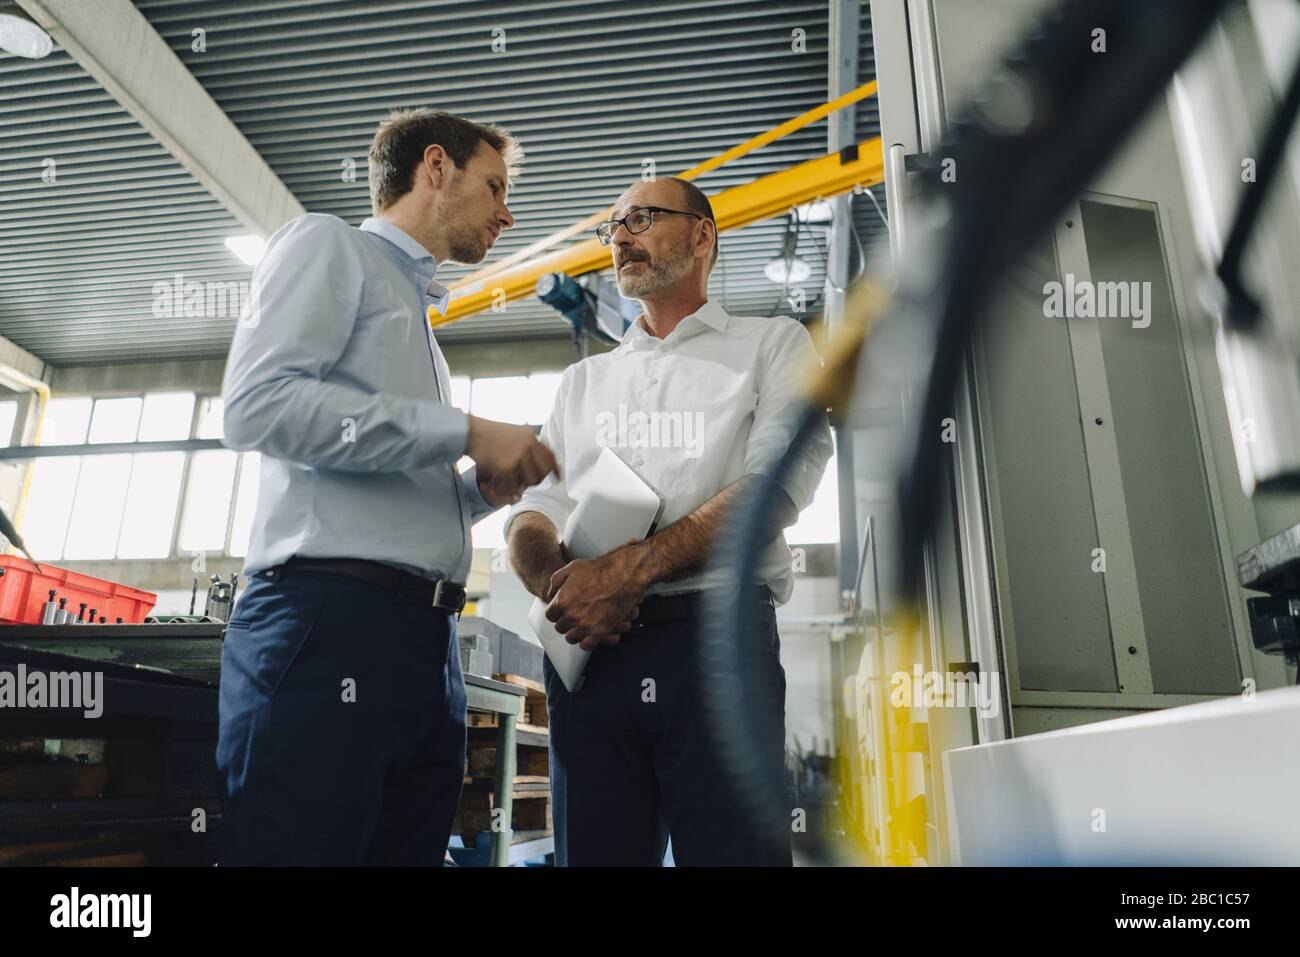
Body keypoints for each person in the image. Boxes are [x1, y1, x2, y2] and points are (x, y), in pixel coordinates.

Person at [216, 108, 557, 865]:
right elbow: (255, 407)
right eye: (495, 186)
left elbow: (382, 480)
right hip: (326, 623)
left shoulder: (420, 326)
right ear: (435, 167)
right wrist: (465, 430)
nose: (509, 212)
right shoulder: (328, 246)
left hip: (423, 644)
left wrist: (476, 490)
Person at [506, 176, 833, 866]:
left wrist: (629, 569)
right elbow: (534, 512)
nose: (620, 237)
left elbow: (776, 485)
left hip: (716, 647)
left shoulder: (773, 344)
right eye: (612, 227)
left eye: (642, 219)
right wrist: (563, 588)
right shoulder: (583, 383)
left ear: (703, 235)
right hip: (590, 658)